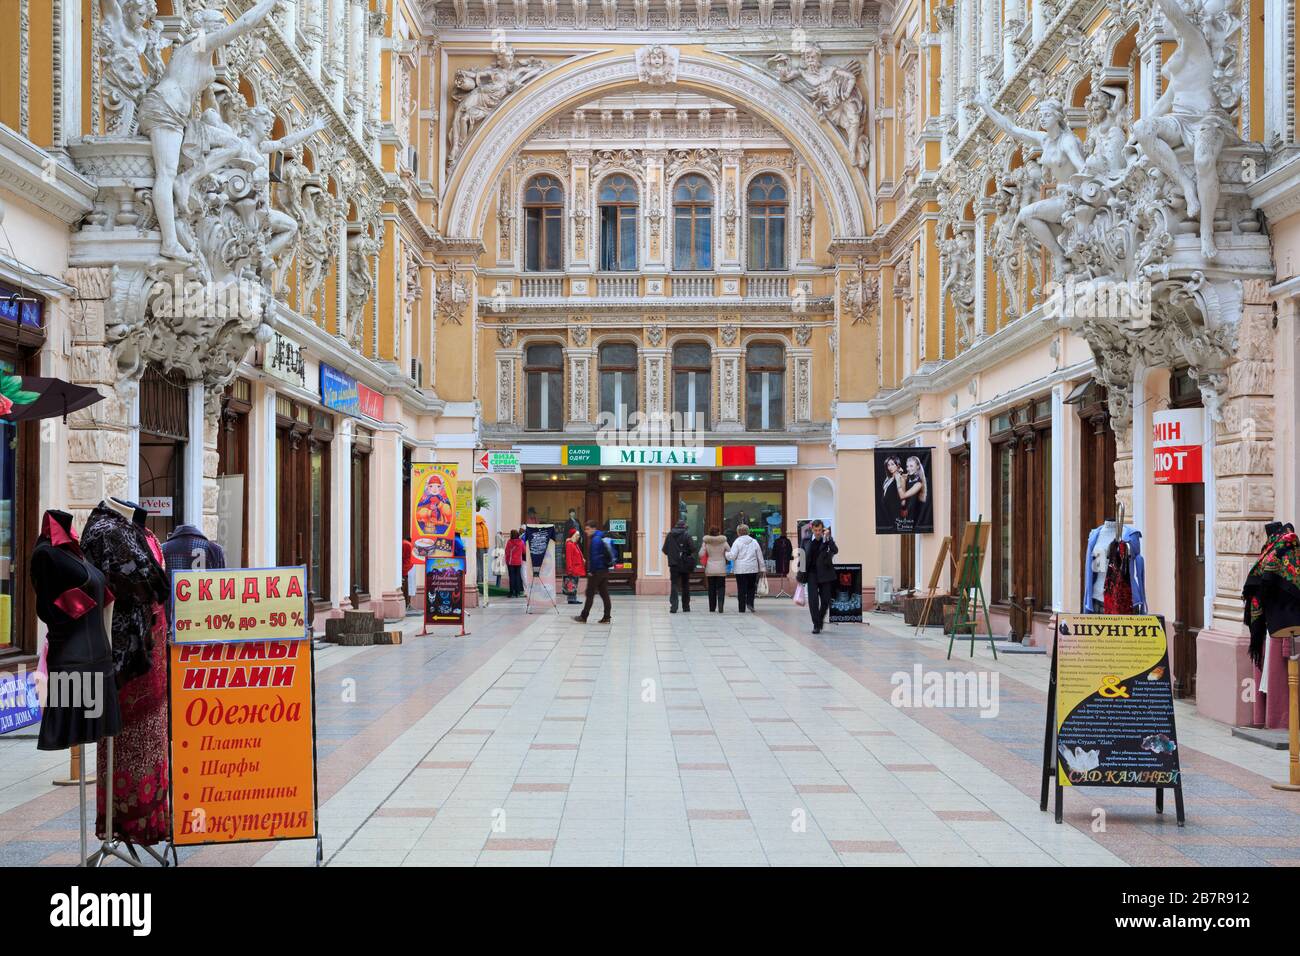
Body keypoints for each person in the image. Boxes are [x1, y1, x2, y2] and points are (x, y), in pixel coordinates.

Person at [575, 520, 613, 624]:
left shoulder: (595, 540)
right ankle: (607, 617)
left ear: (593, 528)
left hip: (597, 571)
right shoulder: (601, 537)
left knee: (590, 593)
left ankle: (583, 617)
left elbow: (595, 558)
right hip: (604, 570)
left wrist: (591, 571)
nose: (586, 532)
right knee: (604, 594)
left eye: (587, 529)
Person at [804, 519, 839, 634]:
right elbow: (802, 557)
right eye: (815, 530)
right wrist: (800, 575)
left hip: (825, 574)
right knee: (813, 601)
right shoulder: (806, 540)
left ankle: (819, 620)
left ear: (822, 529)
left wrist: (828, 539)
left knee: (825, 600)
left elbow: (835, 550)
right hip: (812, 574)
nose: (818, 532)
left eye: (819, 530)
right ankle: (816, 625)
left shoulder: (827, 540)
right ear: (812, 529)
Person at [727, 524, 764, 613]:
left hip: (740, 569)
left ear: (738, 532)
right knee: (751, 587)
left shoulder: (737, 542)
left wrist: (726, 554)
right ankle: (750, 604)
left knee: (741, 588)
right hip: (752, 568)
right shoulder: (754, 541)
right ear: (748, 531)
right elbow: (760, 556)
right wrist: (762, 568)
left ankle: (741, 608)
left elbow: (732, 556)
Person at [662, 520, 696, 613]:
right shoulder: (687, 535)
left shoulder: (669, 535)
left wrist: (672, 554)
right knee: (685, 585)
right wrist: (686, 551)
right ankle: (686, 607)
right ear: (684, 526)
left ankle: (674, 607)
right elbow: (693, 548)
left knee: (674, 584)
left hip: (674, 564)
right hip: (685, 563)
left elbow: (664, 550)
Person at [700, 526, 729, 613]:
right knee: (721, 587)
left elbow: (701, 554)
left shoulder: (706, 542)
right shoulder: (723, 542)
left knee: (711, 588)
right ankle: (720, 606)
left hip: (710, 567)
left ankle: (712, 608)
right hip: (721, 567)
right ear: (719, 532)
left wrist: (704, 547)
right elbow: (730, 550)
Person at [563, 527, 586, 605]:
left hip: (576, 567)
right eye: (577, 535)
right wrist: (569, 569)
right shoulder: (570, 544)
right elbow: (568, 558)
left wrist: (582, 558)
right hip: (573, 568)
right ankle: (572, 599)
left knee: (574, 583)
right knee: (572, 583)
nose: (578, 537)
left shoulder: (574, 544)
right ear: (573, 536)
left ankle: (573, 598)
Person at [505, 529, 525, 597]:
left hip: (510, 562)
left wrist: (507, 560)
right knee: (517, 577)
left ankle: (511, 592)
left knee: (511, 577)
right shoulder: (521, 542)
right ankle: (517, 592)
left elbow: (507, 552)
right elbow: (524, 551)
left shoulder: (509, 542)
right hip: (518, 562)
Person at [401, 534, 415, 608]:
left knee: (407, 585)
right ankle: (407, 603)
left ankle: (407, 603)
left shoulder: (405, 543)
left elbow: (402, 556)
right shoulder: (407, 544)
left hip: (407, 567)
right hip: (409, 566)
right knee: (409, 586)